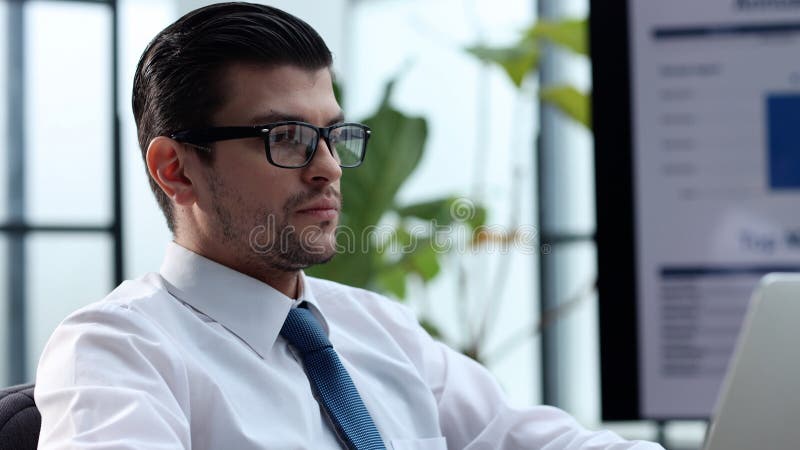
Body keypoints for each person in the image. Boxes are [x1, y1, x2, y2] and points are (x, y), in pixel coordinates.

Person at [34, 3, 664, 449]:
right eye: (286, 137)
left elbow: (532, 439)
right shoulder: (117, 351)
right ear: (177, 169)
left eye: (332, 135)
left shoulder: (377, 327)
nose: (328, 169)